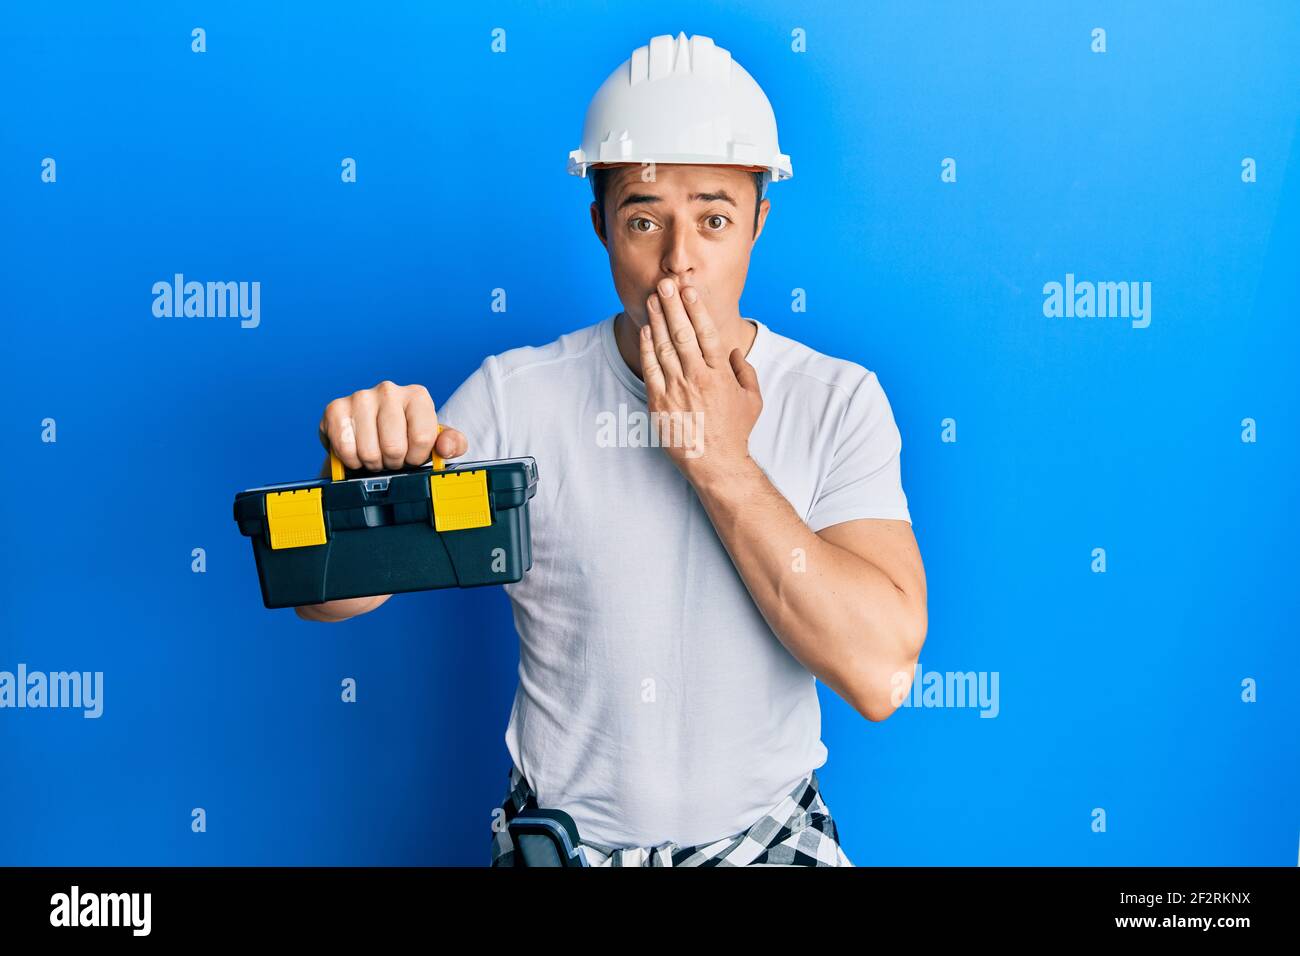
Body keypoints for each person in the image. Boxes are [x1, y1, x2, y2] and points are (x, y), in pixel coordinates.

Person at [297, 32, 928, 867]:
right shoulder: (515, 398)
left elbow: (880, 672)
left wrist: (718, 458)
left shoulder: (838, 400)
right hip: (565, 849)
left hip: (771, 846)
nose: (679, 265)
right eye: (643, 219)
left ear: (757, 224)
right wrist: (364, 478)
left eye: (713, 218)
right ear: (599, 225)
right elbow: (329, 596)